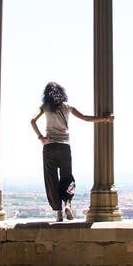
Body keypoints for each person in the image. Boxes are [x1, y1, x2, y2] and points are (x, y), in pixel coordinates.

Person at [31, 81, 114, 222]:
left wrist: (40, 137)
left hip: (49, 147)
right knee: (67, 177)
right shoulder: (67, 107)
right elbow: (86, 118)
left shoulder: (45, 107)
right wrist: (105, 119)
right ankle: (68, 204)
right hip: (64, 147)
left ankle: (58, 213)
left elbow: (32, 120)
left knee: (51, 179)